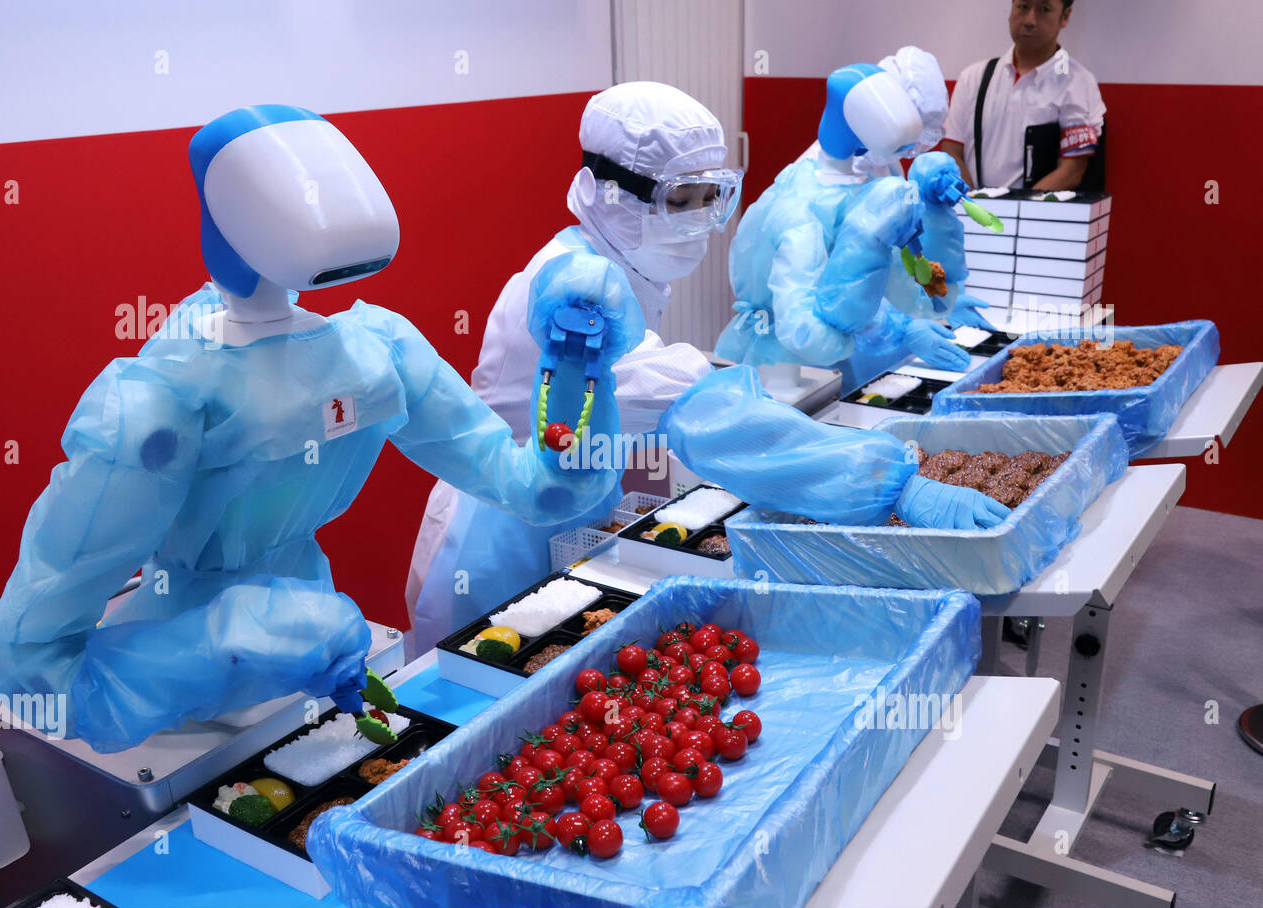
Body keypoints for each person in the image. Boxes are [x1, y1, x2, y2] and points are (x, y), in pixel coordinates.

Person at [0, 105, 627, 753]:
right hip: (175, 714)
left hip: (321, 675)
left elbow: (544, 492)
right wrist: (225, 638)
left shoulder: (375, 354)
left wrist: (574, 366)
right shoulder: (157, 413)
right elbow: (33, 665)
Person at [406, 82, 1011, 655]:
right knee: (484, 718)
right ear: (605, 194)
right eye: (679, 202)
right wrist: (888, 481)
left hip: (565, 523)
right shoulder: (573, 291)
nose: (697, 224)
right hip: (494, 548)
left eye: (708, 200)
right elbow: (701, 414)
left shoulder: (620, 267)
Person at [714, 60, 973, 374]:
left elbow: (890, 272)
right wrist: (897, 329)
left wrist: (938, 290)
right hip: (782, 370)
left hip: (831, 367)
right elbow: (804, 328)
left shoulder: (863, 187)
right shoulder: (803, 207)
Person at [940, 0, 1105, 191]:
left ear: (1065, 16)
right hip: (976, 213)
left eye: (1045, 10)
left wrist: (1019, 211)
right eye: (1023, 7)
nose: (1030, 21)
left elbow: (1072, 171)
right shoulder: (973, 78)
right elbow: (952, 150)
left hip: (1039, 216)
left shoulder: (1078, 82)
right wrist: (975, 207)